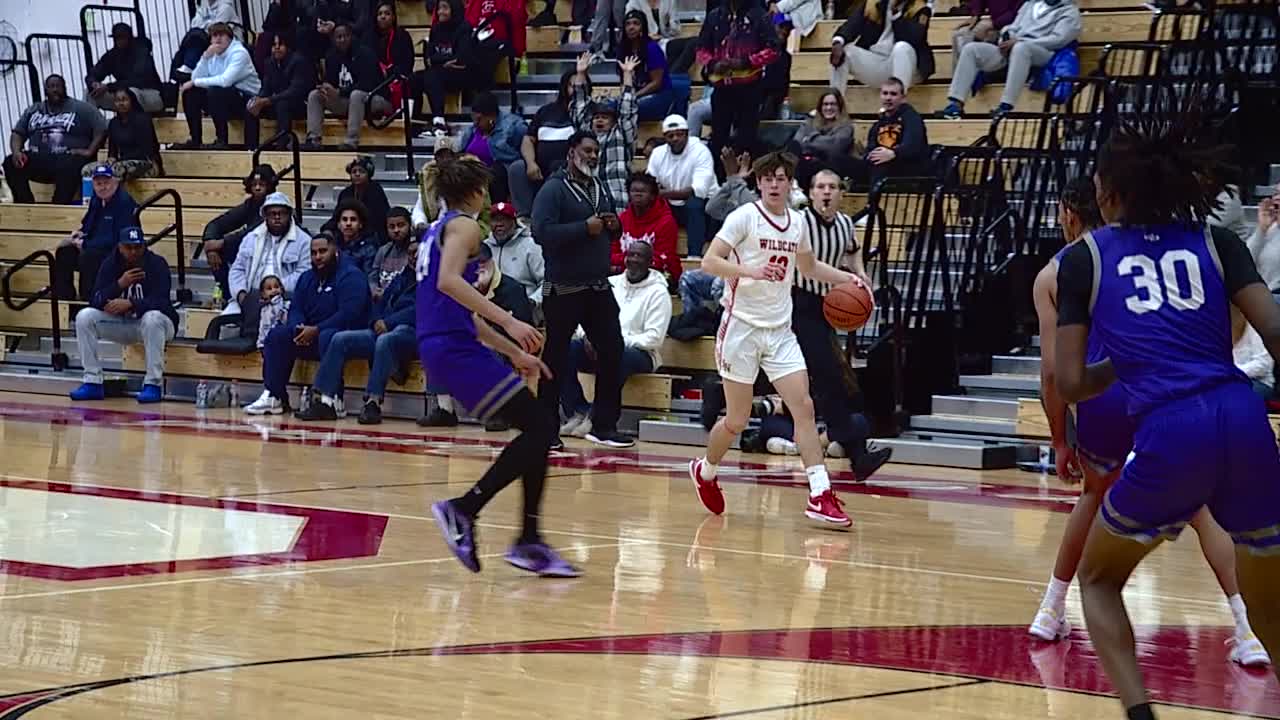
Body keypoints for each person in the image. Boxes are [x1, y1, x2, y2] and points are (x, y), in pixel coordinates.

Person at [1054, 107, 1280, 717]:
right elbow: (1277, 335)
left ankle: (1139, 713)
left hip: (1172, 430)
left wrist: (1126, 360)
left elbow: (1070, 382)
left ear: (1109, 191)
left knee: (1099, 582)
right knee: (1268, 597)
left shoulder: (1086, 258)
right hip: (1242, 418)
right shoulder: (1218, 240)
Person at [417, 154, 579, 578]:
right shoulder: (465, 225)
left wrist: (513, 351)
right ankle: (466, 510)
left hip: (449, 342)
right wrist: (509, 319)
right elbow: (448, 282)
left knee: (539, 428)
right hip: (451, 347)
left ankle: (528, 539)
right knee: (542, 427)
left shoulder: (439, 228)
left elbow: (461, 309)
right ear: (476, 191)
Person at [689, 151, 861, 527]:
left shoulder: (797, 222)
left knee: (804, 407)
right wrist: (749, 269)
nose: (774, 183)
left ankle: (820, 493)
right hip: (741, 328)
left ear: (789, 183)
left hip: (780, 331)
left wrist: (848, 279)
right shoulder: (744, 217)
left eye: (781, 178)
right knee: (736, 420)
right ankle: (705, 470)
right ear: (760, 182)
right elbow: (709, 261)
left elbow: (809, 267)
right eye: (768, 177)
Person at [532, 131, 634, 449]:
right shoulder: (553, 189)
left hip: (597, 285)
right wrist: (582, 228)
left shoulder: (599, 186)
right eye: (587, 150)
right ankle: (545, 430)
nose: (593, 156)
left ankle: (603, 424)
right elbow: (540, 232)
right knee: (556, 357)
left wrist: (614, 227)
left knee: (613, 349)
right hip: (563, 288)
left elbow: (604, 228)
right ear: (571, 152)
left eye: (596, 152)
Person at [246, 232, 371, 415]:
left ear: (335, 251)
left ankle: (332, 399)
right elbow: (296, 308)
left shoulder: (352, 276)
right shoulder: (306, 278)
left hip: (344, 336)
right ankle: (275, 396)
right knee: (278, 334)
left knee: (330, 336)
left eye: (323, 251)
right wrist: (299, 328)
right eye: (314, 253)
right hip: (309, 335)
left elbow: (349, 314)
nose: (318, 257)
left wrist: (317, 330)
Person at [297, 237, 420, 423]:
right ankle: (326, 402)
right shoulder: (401, 277)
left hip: (412, 331)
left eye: (419, 253)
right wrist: (376, 320)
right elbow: (377, 304)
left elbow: (422, 310)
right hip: (382, 330)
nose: (414, 257)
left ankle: (373, 403)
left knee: (385, 340)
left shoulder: (435, 279)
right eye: (410, 253)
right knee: (339, 339)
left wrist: (389, 323)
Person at [560, 240, 672, 436]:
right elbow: (584, 317)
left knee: (616, 356)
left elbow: (654, 339)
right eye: (631, 255)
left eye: (640, 256)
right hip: (599, 345)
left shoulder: (659, 292)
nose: (634, 260)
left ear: (650, 262)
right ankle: (577, 411)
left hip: (640, 354)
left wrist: (611, 341)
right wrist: (590, 335)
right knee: (563, 349)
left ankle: (597, 418)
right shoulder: (610, 283)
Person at [68, 226, 178, 404]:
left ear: (144, 246)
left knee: (152, 318)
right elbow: (95, 299)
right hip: (124, 324)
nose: (133, 252)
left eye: (137, 247)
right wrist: (119, 284)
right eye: (128, 247)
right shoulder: (110, 264)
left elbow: (163, 303)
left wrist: (132, 303)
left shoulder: (157, 264)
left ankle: (153, 384)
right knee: (84, 317)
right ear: (119, 247)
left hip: (159, 326)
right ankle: (92, 382)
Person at [942, 0, 1081, 120]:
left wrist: (1020, 41)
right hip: (1014, 46)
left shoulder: (1070, 11)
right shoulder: (1030, 4)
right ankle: (955, 103)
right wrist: (1006, 36)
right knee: (971, 49)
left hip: (1044, 51)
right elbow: (1013, 26)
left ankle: (1006, 105)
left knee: (1021, 49)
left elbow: (1058, 40)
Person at [4, 75, 107, 205]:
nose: (55, 90)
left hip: (68, 158)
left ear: (65, 88)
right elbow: (17, 133)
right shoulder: (34, 110)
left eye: (58, 86)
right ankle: (26, 205)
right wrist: (16, 152)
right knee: (10, 162)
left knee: (70, 164)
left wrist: (90, 151)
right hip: (39, 158)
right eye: (51, 86)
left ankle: (59, 205)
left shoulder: (81, 108)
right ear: (45, 90)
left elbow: (101, 128)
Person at [695, 0, 779, 158]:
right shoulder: (714, 16)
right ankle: (719, 177)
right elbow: (701, 49)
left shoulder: (759, 15)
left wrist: (746, 62)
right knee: (719, 138)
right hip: (721, 87)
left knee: (746, 139)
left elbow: (773, 49)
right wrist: (713, 63)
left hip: (750, 86)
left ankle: (744, 178)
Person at [53, 164, 139, 301]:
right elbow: (88, 225)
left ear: (115, 182)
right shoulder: (96, 200)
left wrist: (85, 244)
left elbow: (119, 239)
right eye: (98, 183)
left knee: (88, 256)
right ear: (93, 184)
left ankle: (88, 301)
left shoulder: (124, 203)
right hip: (93, 247)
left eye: (106, 182)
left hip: (115, 252)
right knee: (64, 252)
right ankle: (65, 301)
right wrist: (79, 234)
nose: (103, 187)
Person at [175, 23, 262, 149]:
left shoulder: (239, 53)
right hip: (222, 100)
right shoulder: (212, 54)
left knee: (215, 90)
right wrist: (205, 57)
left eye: (222, 35)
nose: (218, 39)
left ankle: (222, 139)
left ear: (230, 38)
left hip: (246, 98)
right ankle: (195, 140)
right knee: (191, 93)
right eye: (214, 36)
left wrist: (195, 82)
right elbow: (195, 77)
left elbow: (225, 81)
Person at [570, 53, 638, 211]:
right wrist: (581, 73)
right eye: (596, 117)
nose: (599, 120)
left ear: (614, 121)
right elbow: (579, 104)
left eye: (605, 117)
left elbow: (627, 107)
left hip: (618, 200)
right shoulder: (586, 134)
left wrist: (627, 74)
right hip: (590, 201)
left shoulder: (621, 133)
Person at [226, 191, 312, 317]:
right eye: (272, 214)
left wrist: (273, 291)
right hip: (249, 298)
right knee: (225, 322)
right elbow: (237, 269)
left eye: (281, 213)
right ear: (265, 216)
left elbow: (304, 274)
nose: (277, 217)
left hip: (287, 299)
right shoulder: (251, 238)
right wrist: (241, 294)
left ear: (289, 215)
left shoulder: (304, 241)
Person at [305, 23, 389, 150]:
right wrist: (325, 88)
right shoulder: (331, 56)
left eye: (346, 36)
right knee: (315, 95)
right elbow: (331, 82)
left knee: (356, 95)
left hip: (375, 99)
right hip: (348, 101)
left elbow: (368, 84)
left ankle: (351, 141)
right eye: (339, 37)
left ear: (351, 36)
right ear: (333, 39)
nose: (342, 40)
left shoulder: (365, 53)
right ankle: (313, 139)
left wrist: (340, 92)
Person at [202, 165, 278, 300]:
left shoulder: (277, 205)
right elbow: (216, 224)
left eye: (262, 184)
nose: (258, 188)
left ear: (270, 186)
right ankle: (227, 295)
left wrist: (221, 242)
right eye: (254, 184)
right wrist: (210, 242)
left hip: (272, 252)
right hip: (251, 251)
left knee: (225, 247)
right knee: (214, 253)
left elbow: (255, 230)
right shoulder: (250, 205)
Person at [510, 72, 580, 218]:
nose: (575, 90)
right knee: (517, 168)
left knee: (558, 167)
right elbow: (528, 140)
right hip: (540, 170)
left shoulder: (586, 114)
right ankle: (525, 218)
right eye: (571, 86)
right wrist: (530, 163)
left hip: (567, 169)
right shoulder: (546, 111)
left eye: (580, 86)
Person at [828, 0, 934, 94]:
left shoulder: (920, 9)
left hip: (909, 69)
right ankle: (834, 103)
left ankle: (899, 107)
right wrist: (838, 42)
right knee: (843, 51)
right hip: (878, 64)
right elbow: (851, 25)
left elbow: (912, 39)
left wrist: (896, 16)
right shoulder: (873, 4)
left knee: (902, 48)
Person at [647, 114, 716, 257]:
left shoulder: (701, 151)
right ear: (664, 138)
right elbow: (649, 183)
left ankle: (694, 255)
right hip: (674, 206)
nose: (675, 139)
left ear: (687, 134)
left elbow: (697, 191)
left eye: (679, 134)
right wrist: (656, 193)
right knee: (646, 202)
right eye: (670, 136)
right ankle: (656, 255)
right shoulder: (658, 153)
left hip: (707, 209)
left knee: (693, 203)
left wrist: (661, 193)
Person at [454, 92, 528, 204]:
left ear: (491, 116)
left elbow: (523, 155)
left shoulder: (514, 127)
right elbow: (460, 152)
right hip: (473, 172)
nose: (475, 123)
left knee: (495, 172)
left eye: (479, 119)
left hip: (499, 175)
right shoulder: (472, 131)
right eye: (473, 119)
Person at [245, 32, 312, 151]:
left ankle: (281, 146)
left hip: (298, 105)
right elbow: (266, 88)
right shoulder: (269, 63)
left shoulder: (298, 61)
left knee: (283, 104)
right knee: (251, 104)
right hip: (276, 102)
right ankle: (251, 147)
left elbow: (295, 91)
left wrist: (268, 100)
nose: (276, 48)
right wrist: (258, 100)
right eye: (273, 45)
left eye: (280, 44)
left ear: (288, 46)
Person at [82, 89, 163, 182]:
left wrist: (120, 161)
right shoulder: (113, 123)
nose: (121, 103)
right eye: (117, 100)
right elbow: (112, 151)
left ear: (131, 101)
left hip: (146, 163)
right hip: (121, 162)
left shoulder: (143, 120)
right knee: (87, 170)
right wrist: (111, 159)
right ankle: (89, 196)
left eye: (124, 100)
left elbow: (149, 149)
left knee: (117, 169)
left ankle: (112, 195)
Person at [416, 0, 473, 132]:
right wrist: (443, 61)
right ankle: (414, 120)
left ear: (454, 9)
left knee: (432, 75)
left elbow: (460, 58)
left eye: (445, 8)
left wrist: (437, 60)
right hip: (440, 73)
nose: (440, 12)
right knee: (413, 79)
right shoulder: (436, 28)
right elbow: (429, 58)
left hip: (460, 75)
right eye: (439, 8)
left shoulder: (464, 27)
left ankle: (439, 121)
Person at [616, 173, 681, 284]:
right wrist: (630, 262)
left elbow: (663, 259)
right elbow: (611, 253)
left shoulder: (666, 221)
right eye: (634, 191)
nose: (638, 194)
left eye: (642, 192)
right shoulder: (622, 218)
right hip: (623, 275)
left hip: (659, 277)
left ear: (653, 196)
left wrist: (621, 265)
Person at [863, 78, 930, 185]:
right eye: (885, 93)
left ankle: (872, 201)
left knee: (880, 165)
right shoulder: (878, 124)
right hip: (879, 166)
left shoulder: (912, 118)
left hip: (906, 168)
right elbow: (870, 148)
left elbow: (913, 147)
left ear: (903, 98)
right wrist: (870, 156)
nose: (888, 98)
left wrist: (893, 153)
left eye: (893, 94)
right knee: (838, 160)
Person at [86, 23, 164, 113]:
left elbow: (137, 81)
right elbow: (93, 74)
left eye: (123, 38)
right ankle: (98, 124)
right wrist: (94, 83)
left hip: (150, 94)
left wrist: (108, 87)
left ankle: (135, 125)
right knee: (90, 94)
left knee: (130, 93)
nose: (120, 41)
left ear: (130, 38)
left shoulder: (141, 51)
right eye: (117, 38)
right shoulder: (113, 55)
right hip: (123, 94)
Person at [483, 201, 545, 310]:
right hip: (490, 309)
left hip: (524, 308)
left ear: (514, 222)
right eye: (495, 220)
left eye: (504, 219)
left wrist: (534, 301)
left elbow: (547, 282)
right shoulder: (484, 247)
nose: (499, 224)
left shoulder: (531, 245)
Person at [790, 89, 858, 186]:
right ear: (820, 107)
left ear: (840, 106)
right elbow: (797, 141)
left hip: (830, 167)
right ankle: (794, 186)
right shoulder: (810, 122)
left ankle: (795, 187)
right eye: (825, 104)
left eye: (833, 104)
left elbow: (833, 148)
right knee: (793, 147)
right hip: (807, 164)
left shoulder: (846, 126)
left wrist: (810, 138)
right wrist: (817, 144)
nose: (829, 107)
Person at [615, 12, 673, 121]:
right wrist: (626, 97)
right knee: (612, 106)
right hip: (636, 96)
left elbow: (657, 83)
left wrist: (634, 96)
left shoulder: (652, 48)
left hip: (659, 95)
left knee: (628, 108)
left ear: (643, 27)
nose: (631, 27)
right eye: (628, 24)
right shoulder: (622, 50)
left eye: (636, 23)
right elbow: (623, 81)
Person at [322, 157, 391, 243]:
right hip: (348, 233)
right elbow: (337, 216)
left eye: (361, 171)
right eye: (354, 172)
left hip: (372, 235)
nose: (357, 174)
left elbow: (380, 219)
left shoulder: (376, 190)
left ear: (368, 174)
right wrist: (327, 229)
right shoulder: (345, 193)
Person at [172, 0, 240, 77]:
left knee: (195, 35)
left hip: (225, 41)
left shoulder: (225, 8)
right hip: (208, 39)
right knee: (192, 37)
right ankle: (181, 73)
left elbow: (216, 29)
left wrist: (204, 24)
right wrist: (208, 24)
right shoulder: (203, 9)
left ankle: (187, 68)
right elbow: (194, 24)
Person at [952, 0, 1024, 58]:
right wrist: (975, 14)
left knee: (975, 36)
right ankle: (963, 74)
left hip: (1016, 26)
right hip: (995, 23)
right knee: (960, 34)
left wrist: (994, 24)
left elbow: (1020, 11)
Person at [370, 207, 415, 298]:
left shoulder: (414, 252)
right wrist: (374, 289)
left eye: (401, 225)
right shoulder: (383, 251)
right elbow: (372, 276)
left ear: (410, 225)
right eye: (391, 227)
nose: (396, 230)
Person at [1234, 309, 1275, 400]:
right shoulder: (1216, 327)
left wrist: (1233, 372)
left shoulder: (1255, 326)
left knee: (1234, 395)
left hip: (1258, 381)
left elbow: (1263, 364)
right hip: (1226, 380)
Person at [332, 198, 379, 275]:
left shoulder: (369, 249)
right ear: (338, 224)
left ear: (360, 224)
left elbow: (368, 277)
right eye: (344, 219)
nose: (348, 223)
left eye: (353, 219)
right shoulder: (333, 246)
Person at [257, 275, 290, 349]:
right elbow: (262, 328)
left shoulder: (286, 304)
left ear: (281, 288)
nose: (274, 290)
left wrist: (275, 301)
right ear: (263, 294)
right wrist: (260, 343)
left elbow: (283, 319)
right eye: (269, 288)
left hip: (282, 341)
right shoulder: (264, 309)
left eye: (276, 287)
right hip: (267, 343)